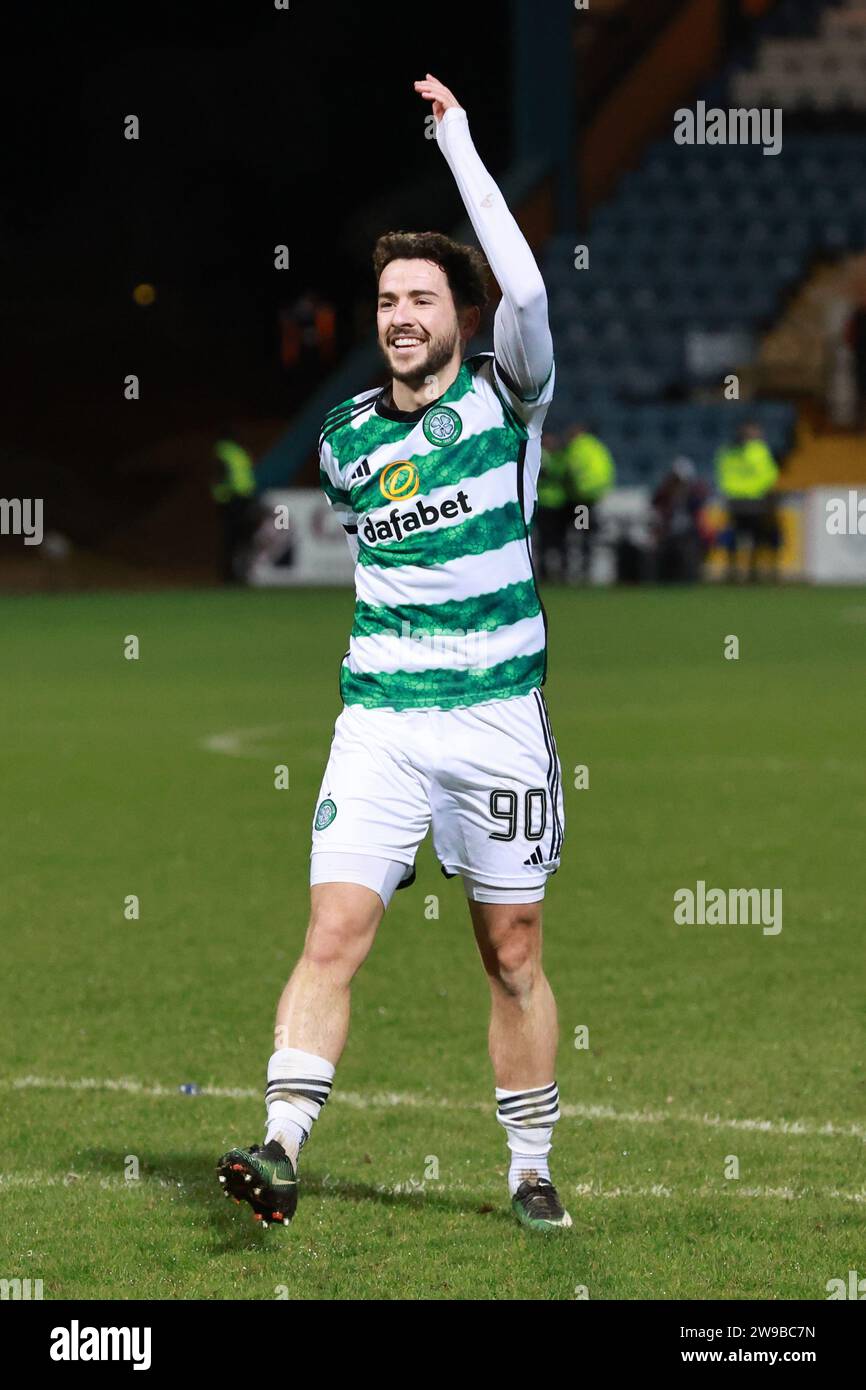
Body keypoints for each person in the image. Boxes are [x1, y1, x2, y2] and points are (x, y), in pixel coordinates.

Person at [217, 75, 570, 1233]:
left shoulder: (507, 396)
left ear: (458, 317)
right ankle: (277, 1145)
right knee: (331, 934)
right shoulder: (344, 440)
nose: (402, 314)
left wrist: (459, 143)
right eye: (387, 299)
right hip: (379, 719)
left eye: (422, 296)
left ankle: (528, 1163)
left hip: (497, 717)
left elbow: (520, 279)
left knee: (510, 950)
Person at [715, 422, 780, 582]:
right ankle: (751, 571)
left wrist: (731, 489)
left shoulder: (727, 451)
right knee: (755, 537)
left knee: (735, 537)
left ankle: (734, 571)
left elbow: (721, 473)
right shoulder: (759, 451)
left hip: (735, 499)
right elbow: (770, 476)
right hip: (754, 500)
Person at [562, 424, 615, 582]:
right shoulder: (596, 446)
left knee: (579, 534)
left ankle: (580, 570)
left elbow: (570, 469)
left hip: (581, 500)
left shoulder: (577, 447)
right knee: (585, 534)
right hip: (593, 497)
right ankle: (585, 568)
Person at [651, 456, 711, 583]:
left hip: (689, 535)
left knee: (688, 553)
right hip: (669, 534)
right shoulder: (664, 494)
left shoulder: (695, 495)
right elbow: (655, 508)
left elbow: (700, 518)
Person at [211, 438, 258, 583]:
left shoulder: (224, 452)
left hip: (232, 500)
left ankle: (233, 574)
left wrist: (220, 495)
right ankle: (235, 574)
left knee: (233, 539)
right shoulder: (238, 453)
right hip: (239, 499)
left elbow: (219, 476)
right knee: (240, 539)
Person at [534, 431, 571, 580]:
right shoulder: (542, 455)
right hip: (546, 504)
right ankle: (546, 572)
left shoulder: (558, 456)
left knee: (557, 540)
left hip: (558, 504)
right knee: (546, 541)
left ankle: (559, 571)